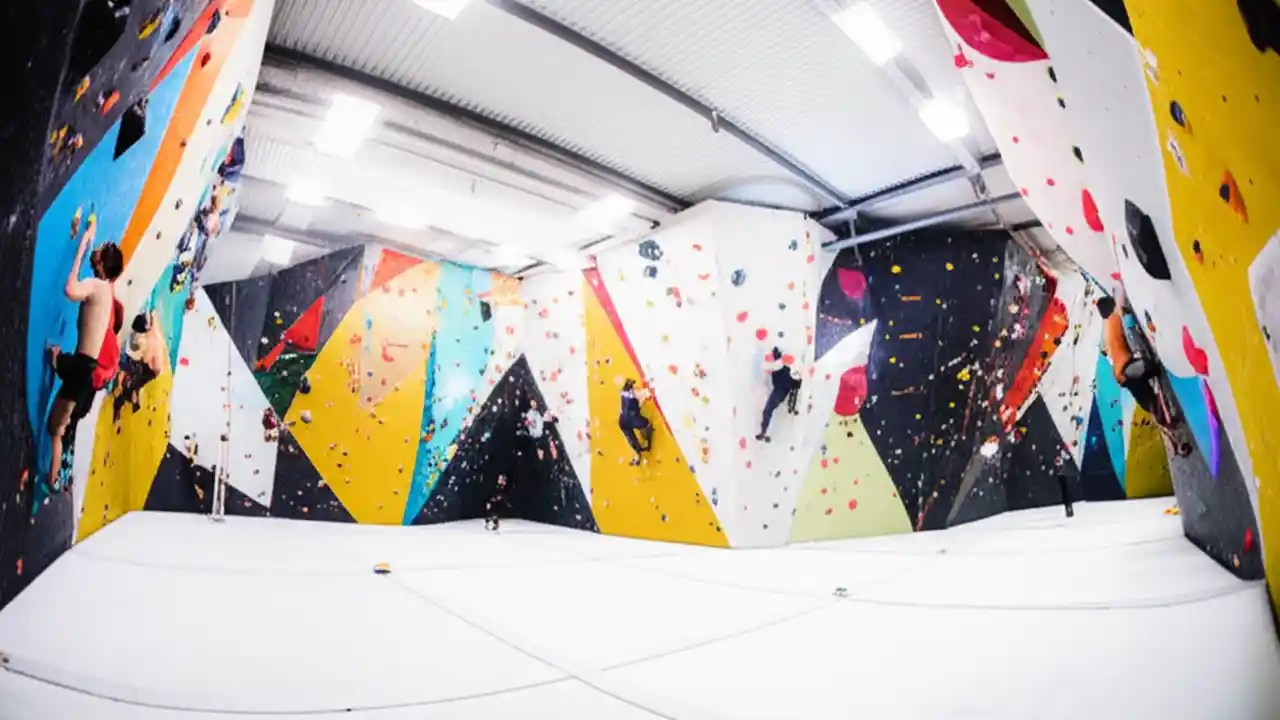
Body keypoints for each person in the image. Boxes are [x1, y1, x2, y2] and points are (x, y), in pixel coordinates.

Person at [47, 215, 124, 490]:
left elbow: (71, 289)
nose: (97, 249)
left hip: (81, 369)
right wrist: (92, 235)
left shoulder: (97, 286)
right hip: (85, 370)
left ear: (101, 265)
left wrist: (81, 248)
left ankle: (53, 480)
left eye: (99, 250)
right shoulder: (107, 289)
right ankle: (55, 475)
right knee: (57, 363)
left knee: (54, 431)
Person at [1097, 294, 1163, 423]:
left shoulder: (1105, 330)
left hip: (1121, 375)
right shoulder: (1115, 317)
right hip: (1127, 367)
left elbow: (1106, 351)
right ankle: (1163, 414)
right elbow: (1129, 328)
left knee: (1147, 398)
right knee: (1153, 367)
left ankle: (1164, 420)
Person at [112, 310, 161, 422]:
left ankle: (120, 406)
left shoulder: (141, 340)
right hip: (152, 369)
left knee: (129, 382)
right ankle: (132, 399)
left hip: (145, 367)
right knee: (135, 384)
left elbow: (142, 359)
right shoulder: (151, 335)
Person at [757, 347, 798, 442]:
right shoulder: (785, 368)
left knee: (767, 410)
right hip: (782, 392)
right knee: (768, 410)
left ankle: (764, 432)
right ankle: (764, 432)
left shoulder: (778, 366)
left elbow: (767, 367)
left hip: (779, 392)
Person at [619, 379, 653, 466]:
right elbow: (643, 399)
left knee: (631, 440)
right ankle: (646, 439)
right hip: (634, 420)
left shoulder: (623, 392)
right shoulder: (635, 393)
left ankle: (637, 454)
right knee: (647, 424)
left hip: (622, 421)